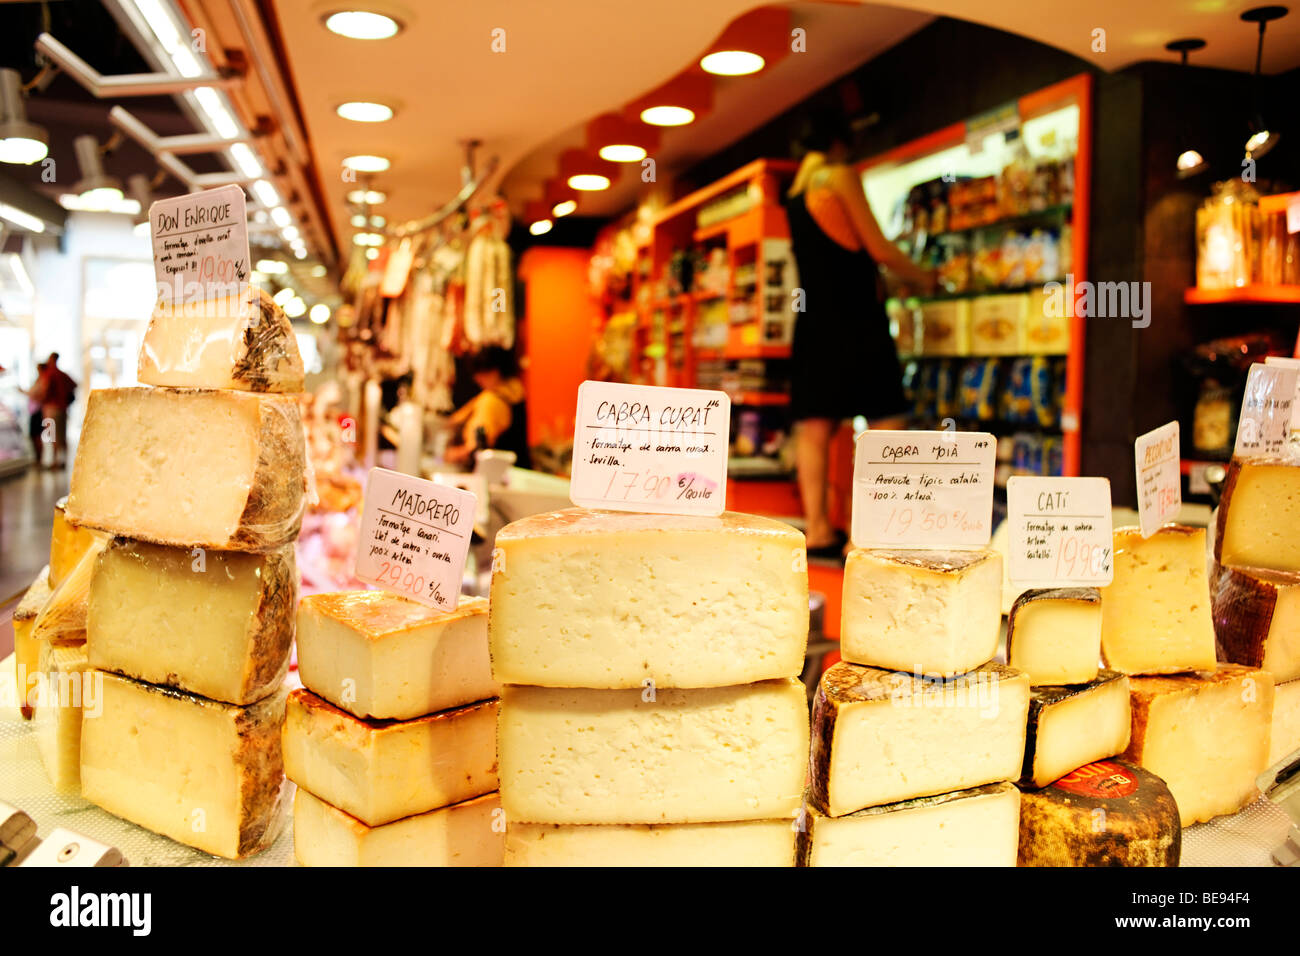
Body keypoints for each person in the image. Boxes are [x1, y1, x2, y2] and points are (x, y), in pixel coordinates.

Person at [784, 109, 937, 559]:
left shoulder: (794, 193)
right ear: (839, 142)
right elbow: (879, 248)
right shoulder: (838, 176)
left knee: (814, 427)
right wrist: (924, 276)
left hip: (813, 322)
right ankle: (864, 533)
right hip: (855, 319)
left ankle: (817, 529)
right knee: (886, 423)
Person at [445, 346, 531, 469]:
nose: (477, 379)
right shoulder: (514, 390)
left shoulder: (492, 401)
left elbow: (476, 447)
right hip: (519, 468)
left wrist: (453, 455)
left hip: (498, 473)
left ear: (494, 372)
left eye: (480, 373)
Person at [37, 352, 76, 469]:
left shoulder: (49, 374)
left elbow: (45, 390)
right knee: (62, 435)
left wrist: (42, 399)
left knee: (52, 436)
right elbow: (74, 384)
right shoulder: (62, 374)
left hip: (52, 408)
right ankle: (62, 460)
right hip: (62, 408)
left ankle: (55, 461)